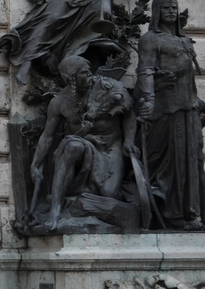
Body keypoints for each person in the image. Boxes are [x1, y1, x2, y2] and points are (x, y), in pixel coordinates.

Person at [135, 0, 205, 231]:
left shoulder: (184, 41)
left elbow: (188, 83)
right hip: (166, 111)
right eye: (166, 7)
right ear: (156, 12)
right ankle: (176, 215)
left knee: (195, 161)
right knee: (173, 164)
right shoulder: (150, 40)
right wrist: (149, 99)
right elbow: (145, 72)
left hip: (189, 110)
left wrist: (204, 105)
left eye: (174, 7)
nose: (171, 10)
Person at [30, 55, 139, 231]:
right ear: (70, 79)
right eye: (83, 73)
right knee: (72, 145)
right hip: (81, 144)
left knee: (109, 193)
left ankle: (90, 199)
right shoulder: (59, 102)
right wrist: (35, 164)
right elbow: (47, 136)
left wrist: (129, 141)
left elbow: (129, 115)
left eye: (89, 70)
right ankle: (55, 210)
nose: (90, 74)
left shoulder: (108, 87)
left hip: (110, 146)